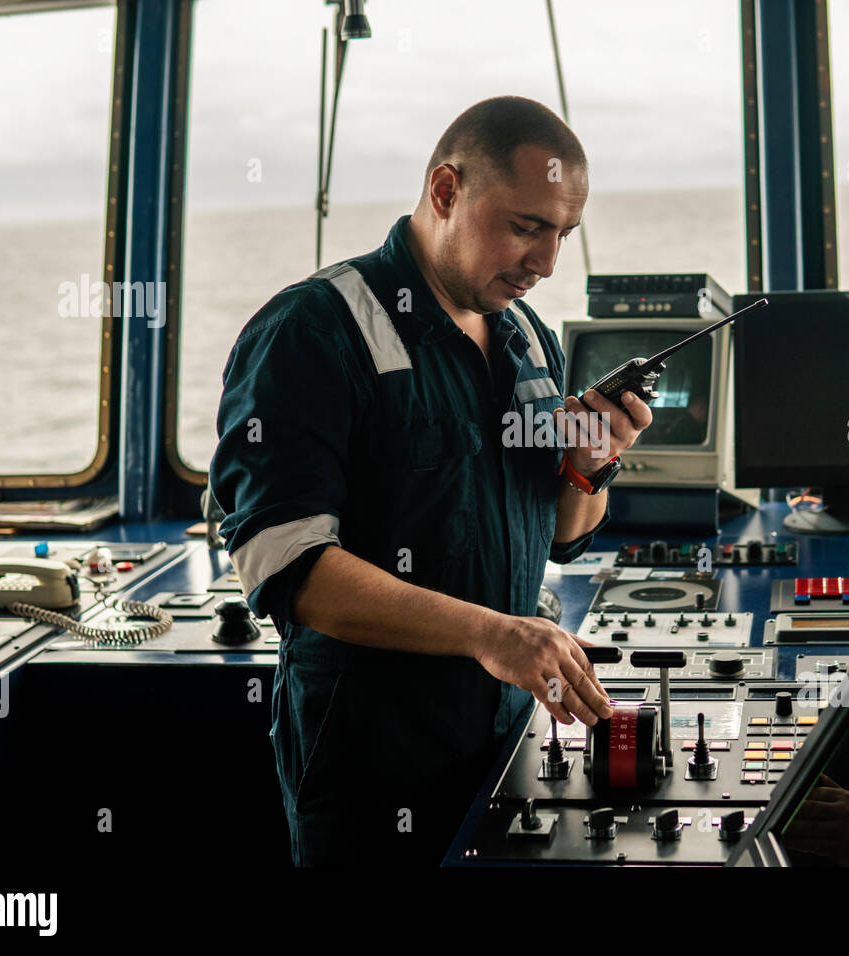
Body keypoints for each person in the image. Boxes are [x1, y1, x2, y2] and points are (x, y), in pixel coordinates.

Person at [209, 96, 654, 866]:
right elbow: (287, 566)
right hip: (373, 763)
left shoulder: (525, 335)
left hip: (500, 740)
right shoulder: (313, 329)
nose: (546, 264)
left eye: (562, 235)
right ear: (446, 192)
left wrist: (588, 468)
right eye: (526, 227)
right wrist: (495, 634)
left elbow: (558, 535)